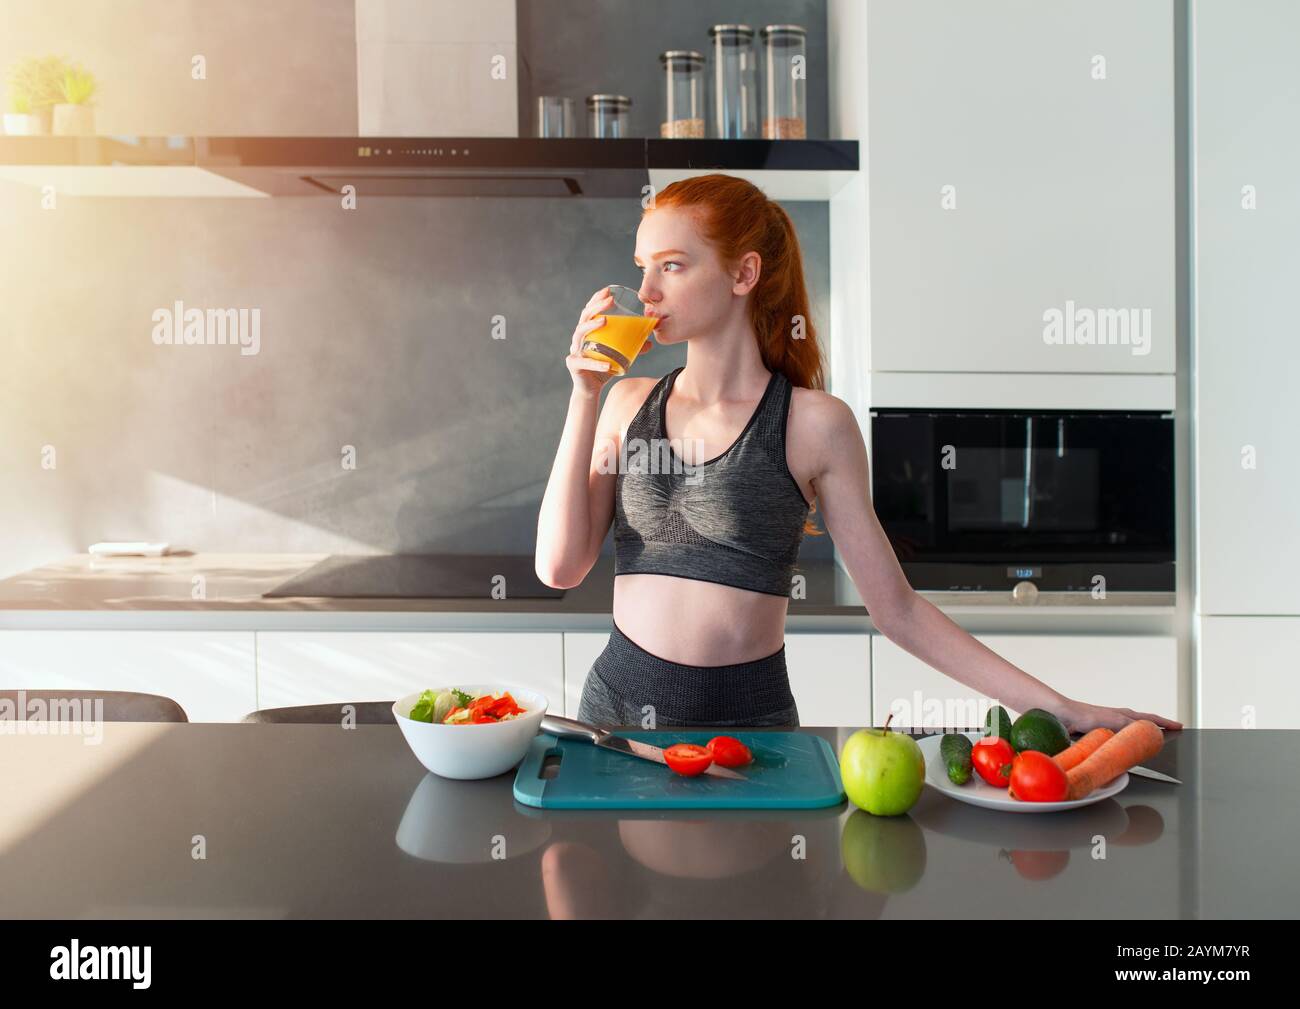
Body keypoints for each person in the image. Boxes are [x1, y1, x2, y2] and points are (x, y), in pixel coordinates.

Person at [535, 173, 1183, 735]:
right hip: (613, 718)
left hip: (749, 734)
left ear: (743, 273)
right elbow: (559, 568)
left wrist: (1059, 708)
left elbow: (897, 611)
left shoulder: (813, 424)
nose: (646, 290)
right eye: (642, 266)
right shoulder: (625, 402)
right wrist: (584, 393)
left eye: (671, 265)